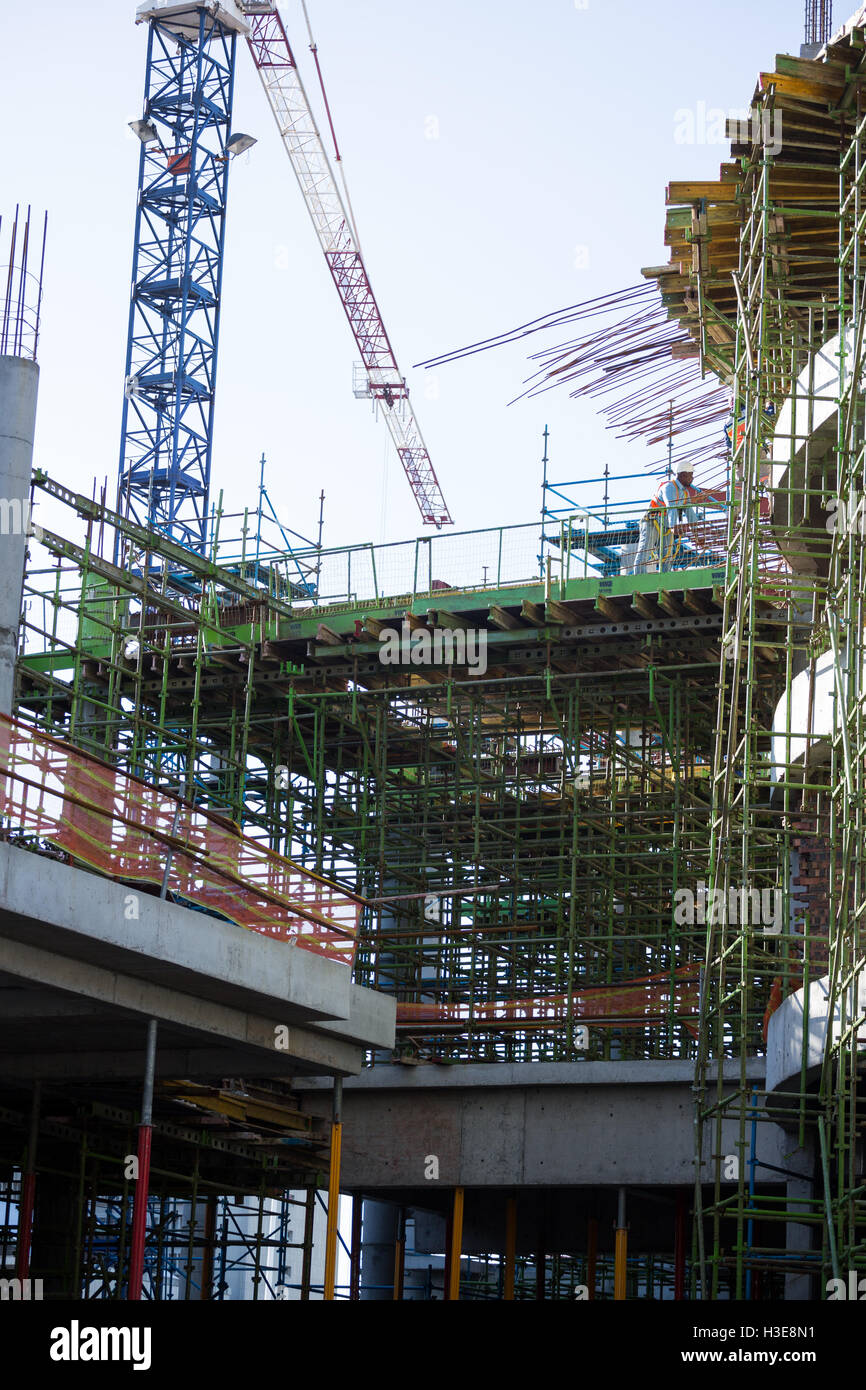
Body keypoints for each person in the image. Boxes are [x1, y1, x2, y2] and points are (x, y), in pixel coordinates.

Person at [631, 469, 724, 574]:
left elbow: (690, 514)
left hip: (667, 525)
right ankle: (638, 577)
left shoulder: (684, 492)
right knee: (645, 549)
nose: (692, 478)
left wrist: (696, 535)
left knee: (668, 554)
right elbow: (671, 507)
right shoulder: (669, 487)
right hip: (652, 522)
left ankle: (665, 578)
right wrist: (673, 526)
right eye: (690, 475)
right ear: (683, 475)